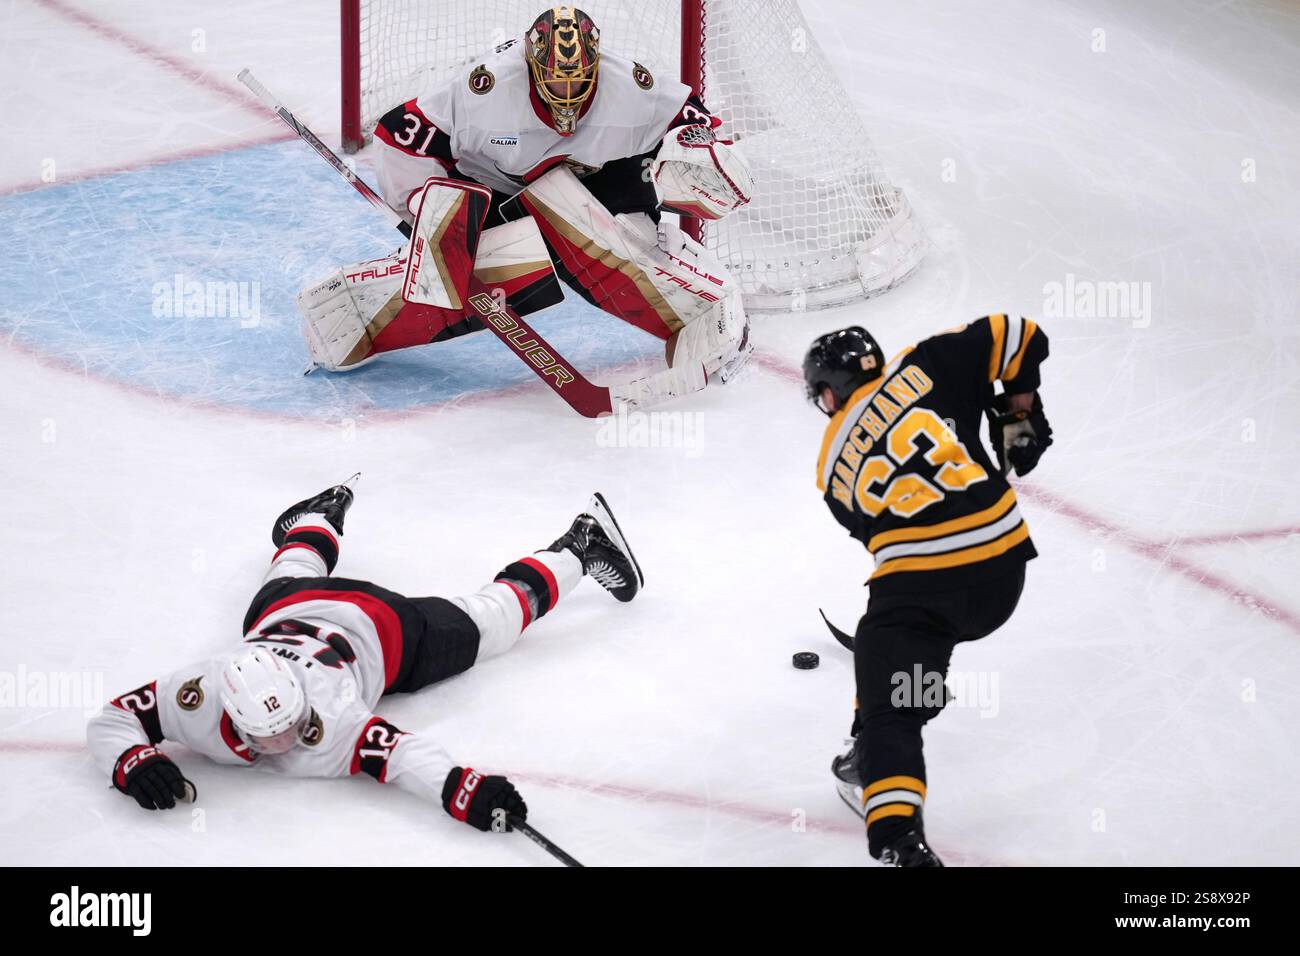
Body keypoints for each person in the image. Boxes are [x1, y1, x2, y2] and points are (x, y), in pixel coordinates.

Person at [86, 479, 642, 838]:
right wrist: (131, 760)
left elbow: (403, 755)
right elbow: (114, 719)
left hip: (387, 628)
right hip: (290, 611)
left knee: (492, 620)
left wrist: (463, 790)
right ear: (229, 715)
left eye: (292, 726)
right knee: (288, 578)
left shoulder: (329, 719)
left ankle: (580, 546)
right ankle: (320, 514)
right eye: (271, 736)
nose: (287, 743)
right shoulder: (197, 693)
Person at [298, 5, 753, 401]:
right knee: (504, 266)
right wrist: (424, 207)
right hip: (501, 185)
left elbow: (696, 121)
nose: (569, 93)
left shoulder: (630, 84)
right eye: (556, 79)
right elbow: (397, 134)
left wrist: (700, 153)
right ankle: (352, 317)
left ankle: (699, 313)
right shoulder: (486, 90)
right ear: (531, 67)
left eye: (580, 81)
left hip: (603, 177)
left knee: (626, 242)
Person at [803, 315, 1053, 866]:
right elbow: (1020, 333)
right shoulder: (927, 362)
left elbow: (878, 533)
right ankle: (901, 703)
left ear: (828, 391)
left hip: (923, 585)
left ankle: (896, 832)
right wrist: (1018, 416)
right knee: (896, 653)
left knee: (892, 695)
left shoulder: (829, 466)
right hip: (1003, 566)